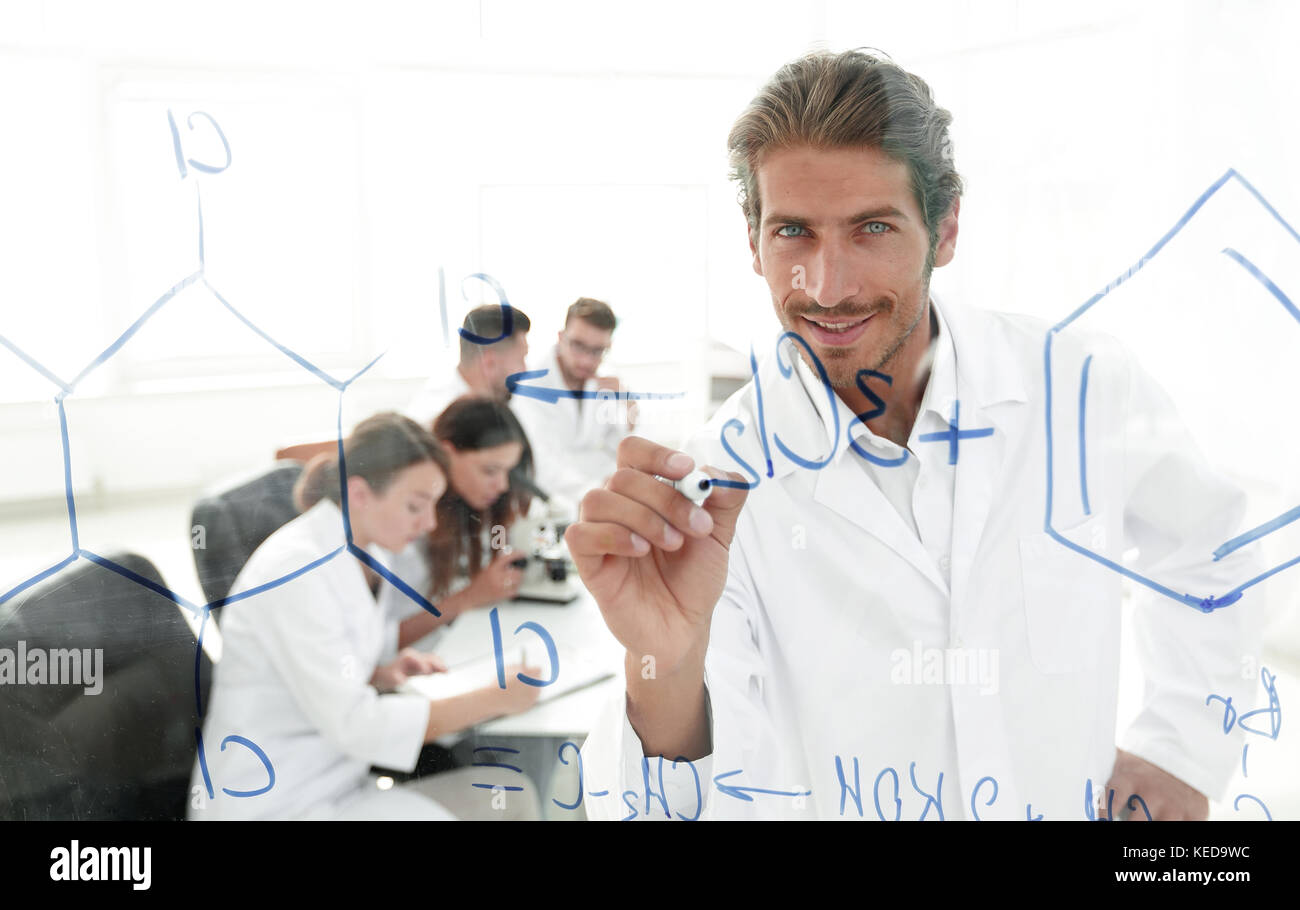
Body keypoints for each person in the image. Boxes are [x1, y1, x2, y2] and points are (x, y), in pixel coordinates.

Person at [569, 50, 1267, 820]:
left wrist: (1180, 750)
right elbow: (683, 804)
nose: (828, 287)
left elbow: (1211, 546)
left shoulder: (1076, 384)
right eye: (794, 232)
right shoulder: (711, 489)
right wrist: (660, 670)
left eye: (873, 228)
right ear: (754, 242)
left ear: (947, 229)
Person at [189, 412, 541, 821]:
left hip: (333, 783)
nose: (428, 523)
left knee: (510, 793)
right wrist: (496, 697)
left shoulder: (366, 549)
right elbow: (357, 724)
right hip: (274, 804)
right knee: (506, 797)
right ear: (359, 494)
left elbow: (338, 646)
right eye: (415, 505)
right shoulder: (294, 570)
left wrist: (380, 671)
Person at [387, 397, 535, 650]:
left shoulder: (476, 504)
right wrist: (469, 597)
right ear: (447, 453)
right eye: (489, 471)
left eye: (507, 471)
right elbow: (381, 644)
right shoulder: (407, 523)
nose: (502, 485)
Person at [511, 297, 634, 506]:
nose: (587, 360)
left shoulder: (606, 382)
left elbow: (621, 445)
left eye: (597, 351)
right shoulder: (531, 387)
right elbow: (543, 464)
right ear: (561, 337)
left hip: (605, 494)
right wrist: (597, 490)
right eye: (578, 345)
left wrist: (629, 403)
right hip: (555, 503)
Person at [405, 304, 532, 427]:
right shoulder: (433, 421)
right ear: (489, 363)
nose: (524, 370)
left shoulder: (508, 402)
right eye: (520, 359)